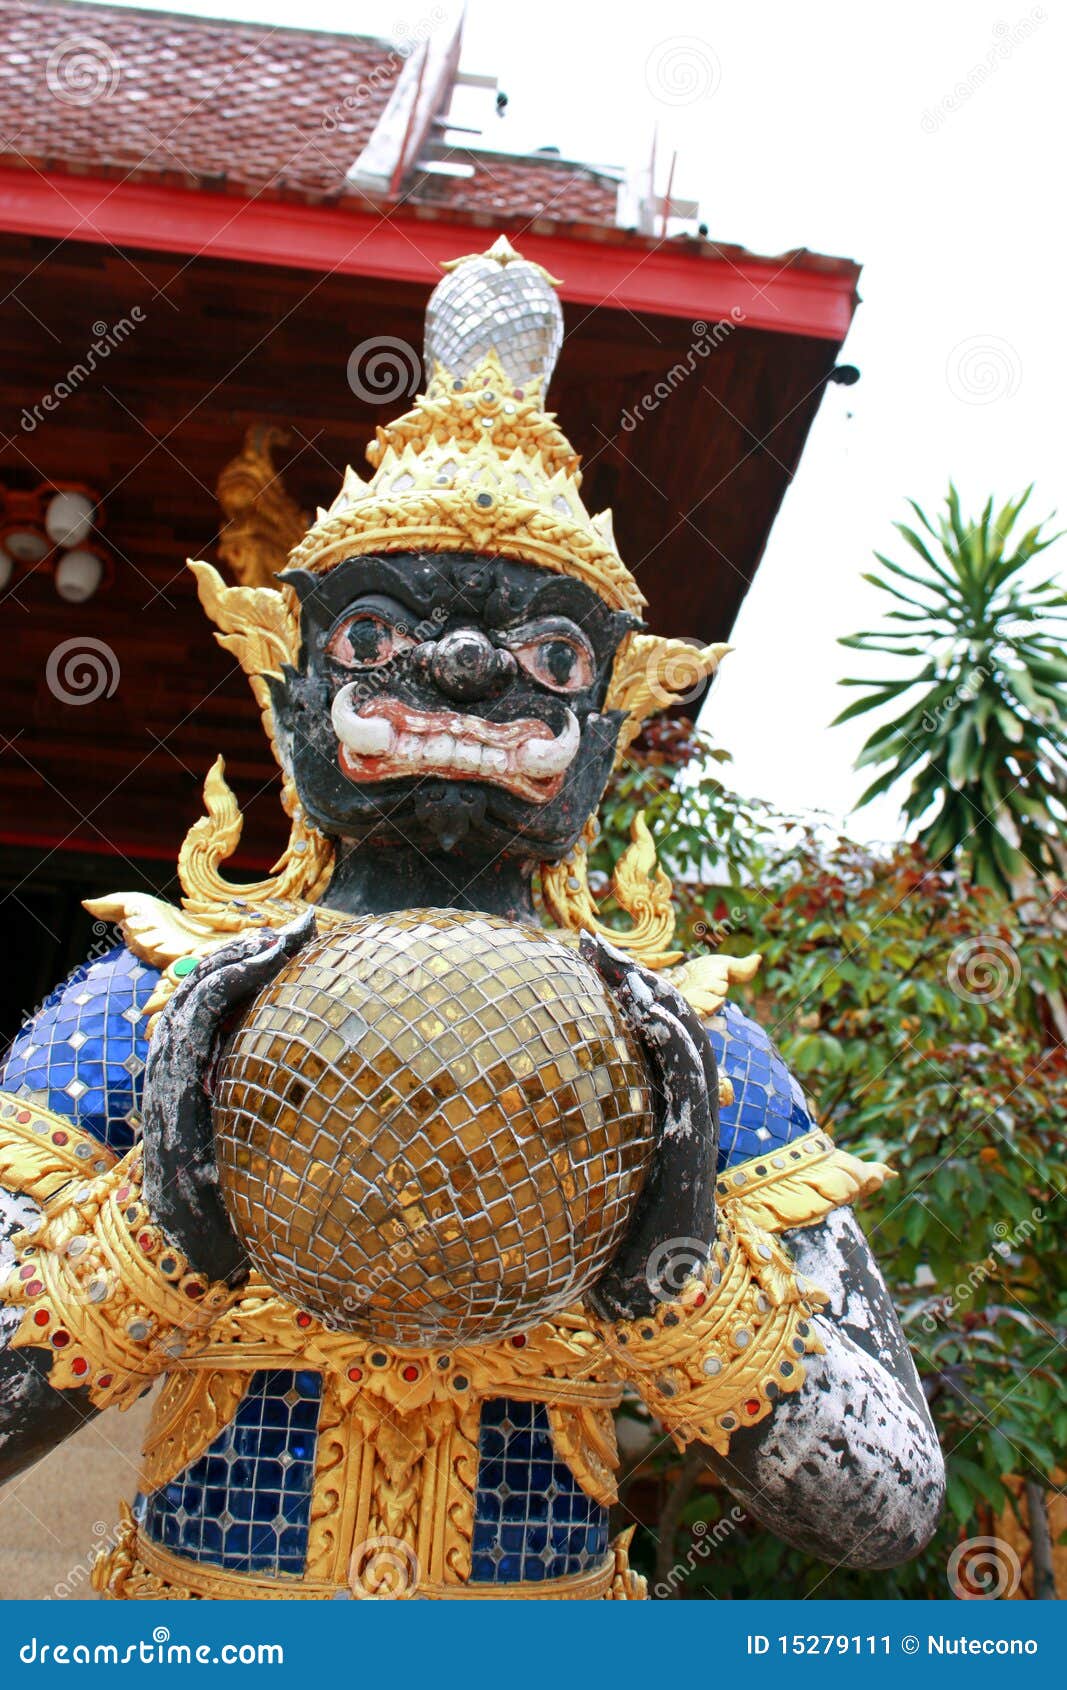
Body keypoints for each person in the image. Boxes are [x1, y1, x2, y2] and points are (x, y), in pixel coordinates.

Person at [0, 239, 943, 1600]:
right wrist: (163, 1233)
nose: (459, 667)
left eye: (550, 657)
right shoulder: (152, 1010)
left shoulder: (676, 1050)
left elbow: (891, 1494)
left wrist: (678, 1275)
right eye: (379, 637)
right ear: (287, 681)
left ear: (613, 725)